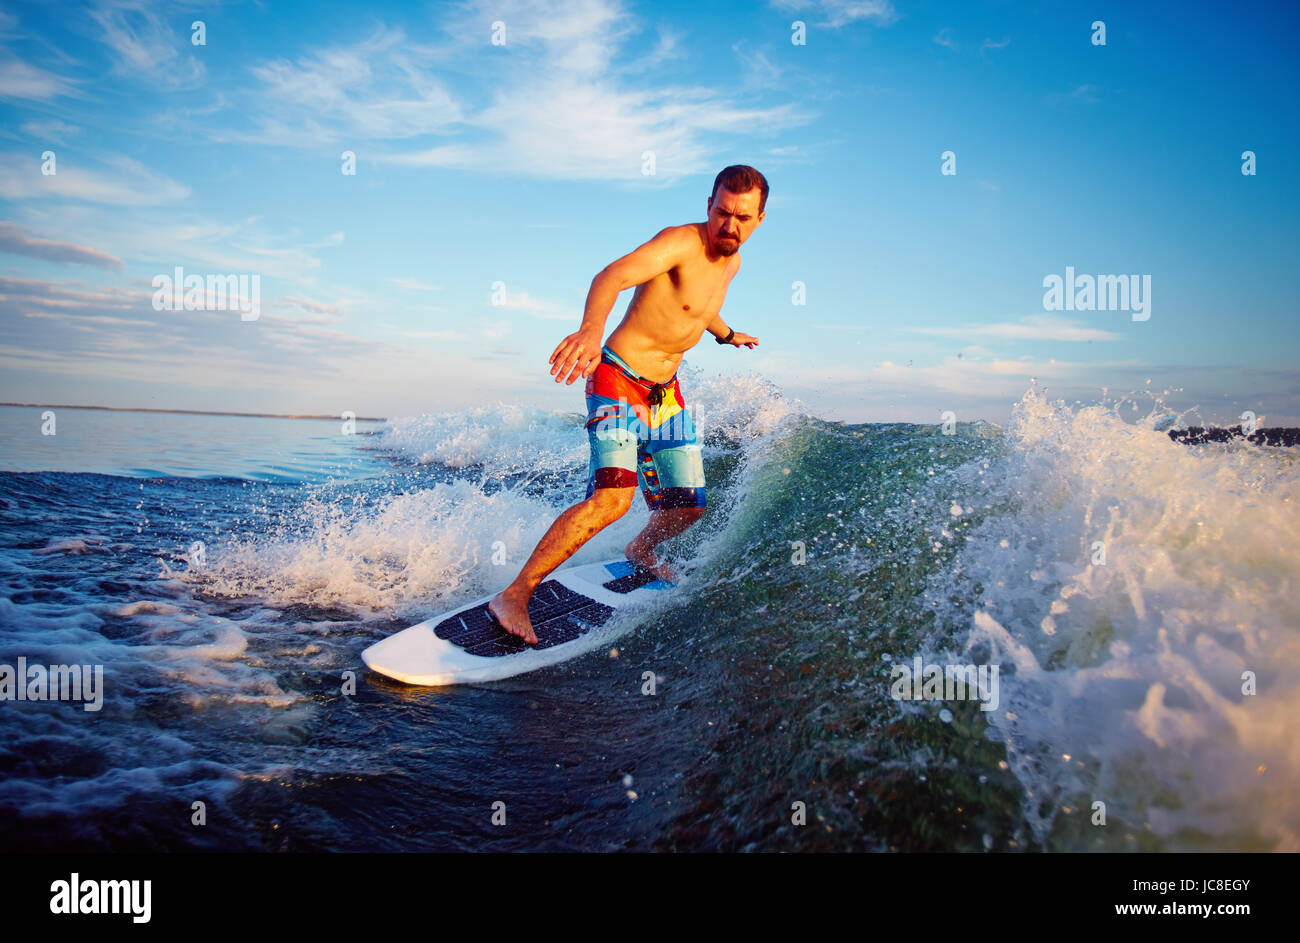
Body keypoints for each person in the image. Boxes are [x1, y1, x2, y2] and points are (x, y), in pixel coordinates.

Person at [488, 165, 767, 644]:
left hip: (664, 394)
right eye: (722, 213)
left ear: (759, 219)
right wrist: (591, 333)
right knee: (611, 501)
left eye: (742, 217)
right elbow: (611, 275)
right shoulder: (679, 242)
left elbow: (697, 307)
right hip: (617, 377)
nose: (730, 225)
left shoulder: (732, 261)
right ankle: (515, 593)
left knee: (689, 505)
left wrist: (726, 335)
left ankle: (641, 549)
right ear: (709, 206)